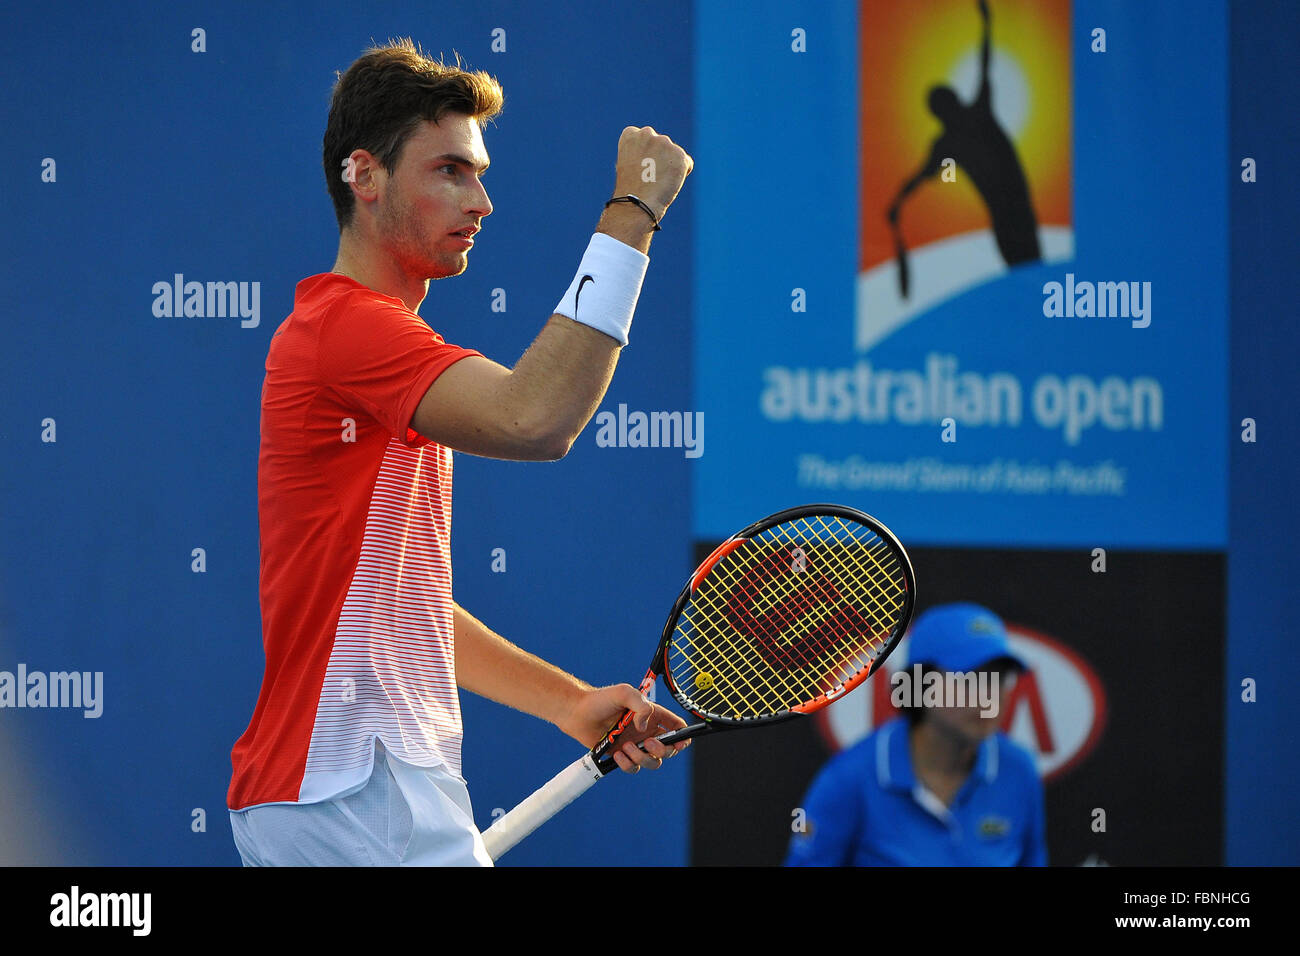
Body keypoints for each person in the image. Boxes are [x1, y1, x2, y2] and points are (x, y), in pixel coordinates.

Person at [226, 38, 694, 866]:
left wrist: (570, 703)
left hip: (364, 790)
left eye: (479, 172)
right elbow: (536, 418)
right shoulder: (346, 328)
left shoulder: (376, 347)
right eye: (449, 170)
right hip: (350, 788)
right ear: (362, 176)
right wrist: (633, 213)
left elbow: (407, 611)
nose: (481, 200)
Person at [784, 602, 1047, 866]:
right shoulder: (848, 780)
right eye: (969, 678)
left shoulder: (1019, 771)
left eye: (998, 679)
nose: (988, 695)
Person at [887, 0, 1041, 272]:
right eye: (949, 99)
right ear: (947, 107)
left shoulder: (962, 129)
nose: (955, 100)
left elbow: (985, 63)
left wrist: (987, 24)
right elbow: (923, 176)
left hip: (1015, 214)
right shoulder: (954, 138)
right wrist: (899, 201)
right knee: (1026, 273)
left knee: (1029, 272)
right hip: (1008, 217)